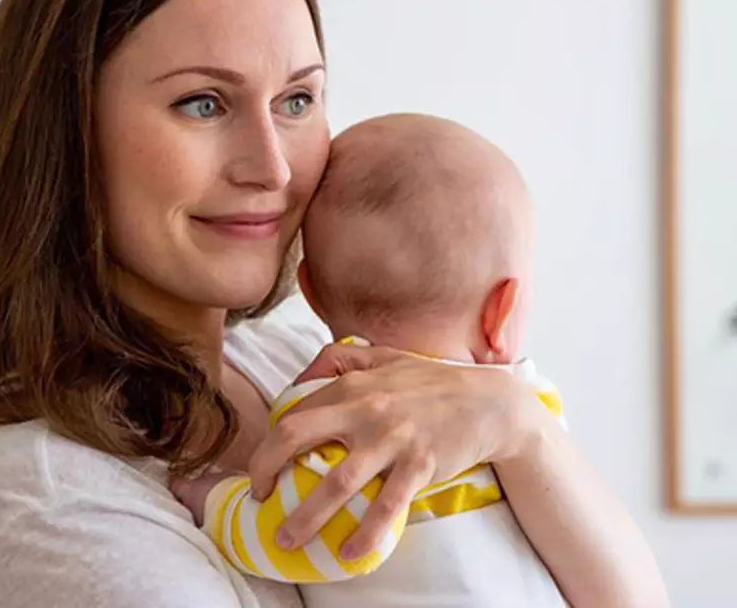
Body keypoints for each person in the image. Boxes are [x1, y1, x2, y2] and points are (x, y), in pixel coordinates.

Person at [0, 0, 669, 608]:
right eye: (203, 104)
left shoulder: (296, 362)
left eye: (297, 100)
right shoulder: (38, 493)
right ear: (64, 131)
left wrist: (522, 428)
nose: (273, 167)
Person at [170, 114, 570, 607]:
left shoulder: (335, 420)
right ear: (500, 312)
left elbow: (293, 538)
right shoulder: (533, 402)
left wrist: (215, 501)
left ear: (311, 295)